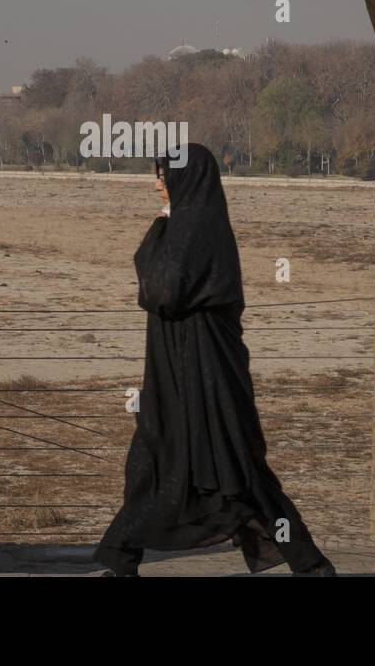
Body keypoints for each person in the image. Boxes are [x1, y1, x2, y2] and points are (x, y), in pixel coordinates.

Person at [93, 143, 336, 577]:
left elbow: (161, 291)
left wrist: (159, 232)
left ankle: (309, 562)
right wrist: (161, 229)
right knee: (156, 454)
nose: (158, 185)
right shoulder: (184, 226)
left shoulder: (198, 228)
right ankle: (120, 558)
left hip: (209, 375)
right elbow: (157, 286)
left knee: (236, 469)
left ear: (187, 179)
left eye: (164, 176)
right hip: (176, 369)